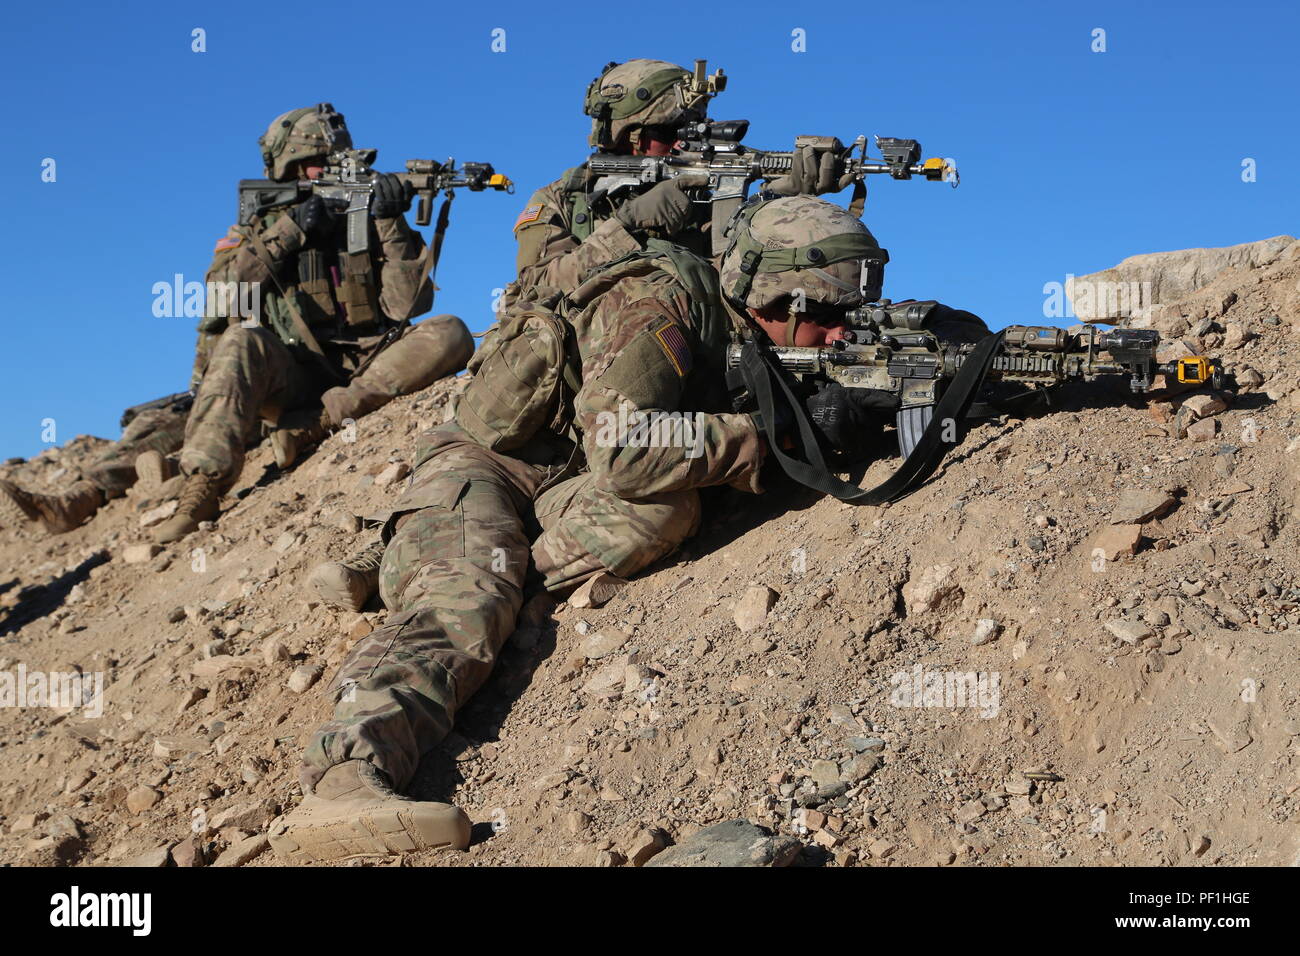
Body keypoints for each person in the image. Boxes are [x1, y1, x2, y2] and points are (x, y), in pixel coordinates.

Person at [268, 194, 891, 861]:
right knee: (472, 591)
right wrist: (772, 435)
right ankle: (345, 772)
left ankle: (439, 567)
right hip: (486, 466)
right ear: (768, 294)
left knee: (665, 507)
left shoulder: (753, 328)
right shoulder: (661, 303)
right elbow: (625, 449)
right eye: (824, 316)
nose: (837, 335)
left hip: (563, 478)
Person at [152, 103, 473, 544]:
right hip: (293, 372)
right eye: (322, 164)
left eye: (341, 163)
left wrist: (388, 219)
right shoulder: (257, 225)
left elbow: (407, 306)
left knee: (451, 331)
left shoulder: (366, 215)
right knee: (240, 339)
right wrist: (292, 230)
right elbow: (221, 295)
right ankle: (202, 491)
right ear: (290, 169)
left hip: (367, 361)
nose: (333, 171)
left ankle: (318, 422)